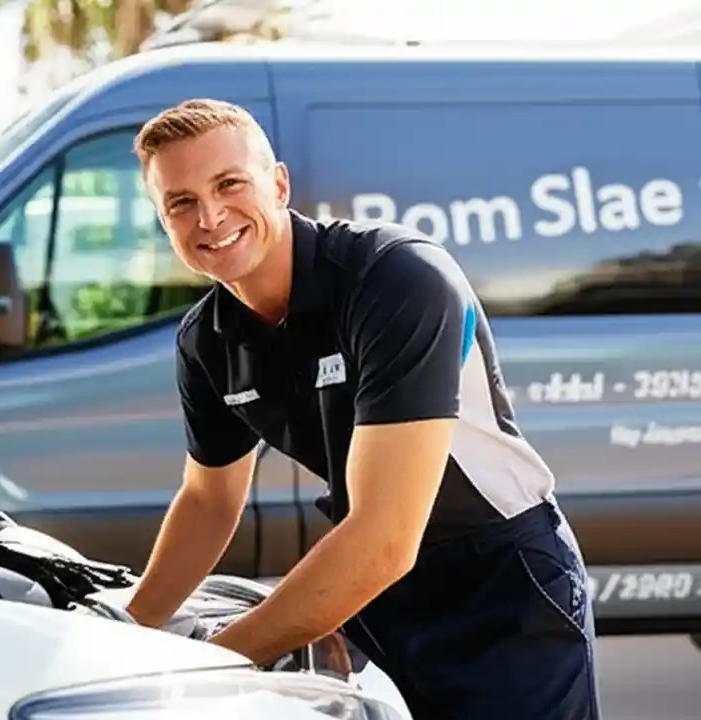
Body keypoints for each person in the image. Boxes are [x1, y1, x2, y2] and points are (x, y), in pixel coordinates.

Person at [122, 98, 601, 719]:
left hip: (502, 587)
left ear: (279, 184)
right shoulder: (206, 340)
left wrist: (214, 662)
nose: (209, 216)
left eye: (229, 184)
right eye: (180, 203)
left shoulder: (398, 278)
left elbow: (384, 539)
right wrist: (125, 632)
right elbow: (210, 501)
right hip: (377, 596)